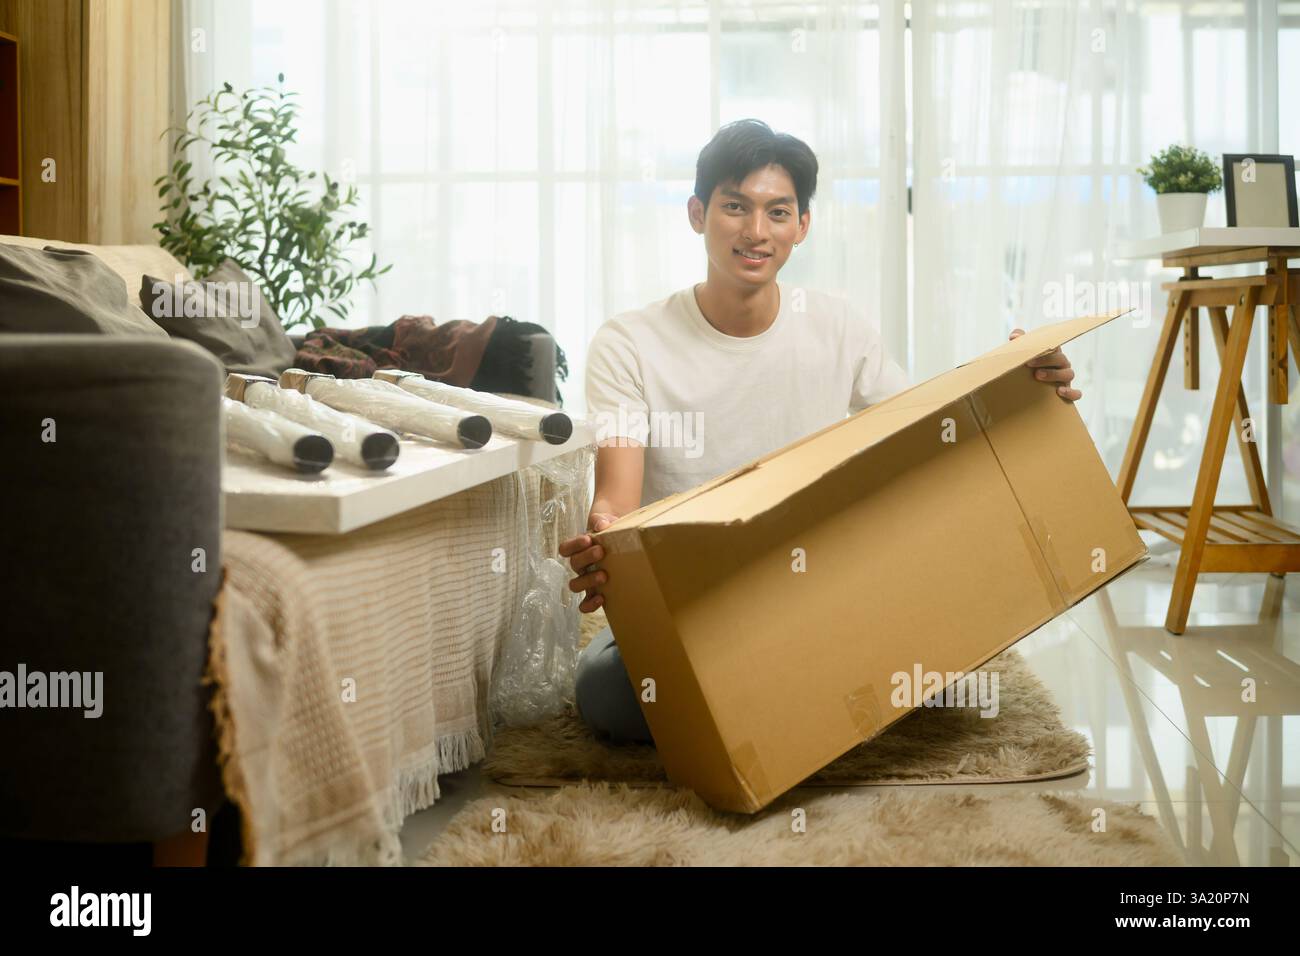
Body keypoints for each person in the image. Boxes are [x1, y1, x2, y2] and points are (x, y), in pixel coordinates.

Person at [558, 119, 1081, 745]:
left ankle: (786, 687)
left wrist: (1022, 381)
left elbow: (934, 430)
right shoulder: (630, 342)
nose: (756, 232)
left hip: (818, 591)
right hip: (695, 607)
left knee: (942, 662)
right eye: (734, 207)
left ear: (801, 226)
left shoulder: (836, 326)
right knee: (611, 699)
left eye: (778, 212)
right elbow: (616, 498)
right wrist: (605, 535)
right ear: (697, 214)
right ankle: (803, 691)